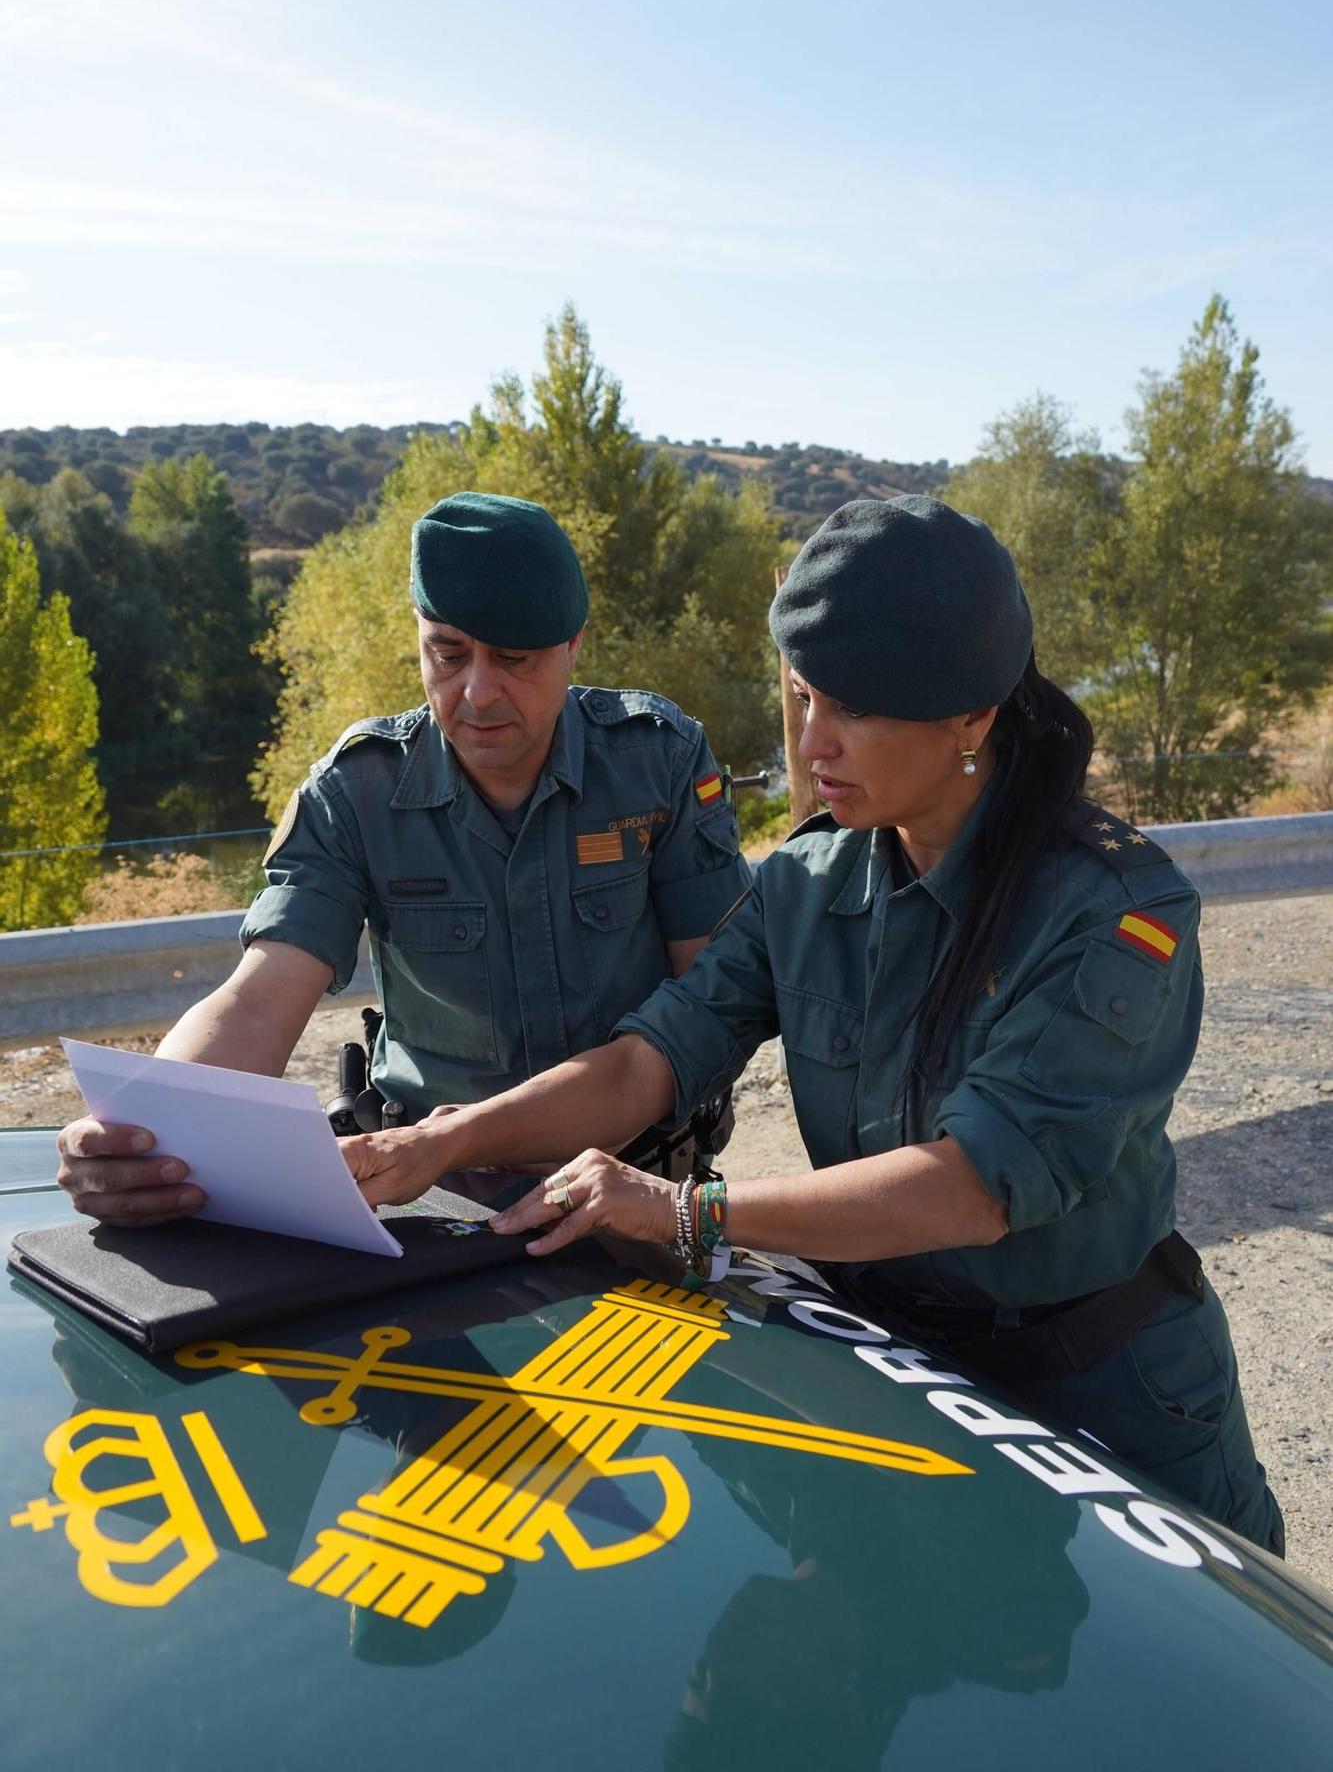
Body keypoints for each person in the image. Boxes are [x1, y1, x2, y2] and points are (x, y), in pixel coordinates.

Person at [325, 495, 1284, 1553]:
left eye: (852, 709)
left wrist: (684, 1207)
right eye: (800, 695)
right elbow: (652, 1055)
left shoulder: (1115, 910)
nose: (811, 742)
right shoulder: (808, 881)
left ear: (972, 715)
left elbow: (972, 1185)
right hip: (903, 1369)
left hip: (1104, 1390)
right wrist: (445, 1138)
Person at [56, 491, 748, 1224]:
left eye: (514, 659)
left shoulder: (657, 763)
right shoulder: (357, 791)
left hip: (633, 1197)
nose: (478, 692)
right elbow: (259, 1000)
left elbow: (705, 1017)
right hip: (433, 1199)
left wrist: (480, 1132)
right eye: (447, 654)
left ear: (573, 645)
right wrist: (146, 1133)